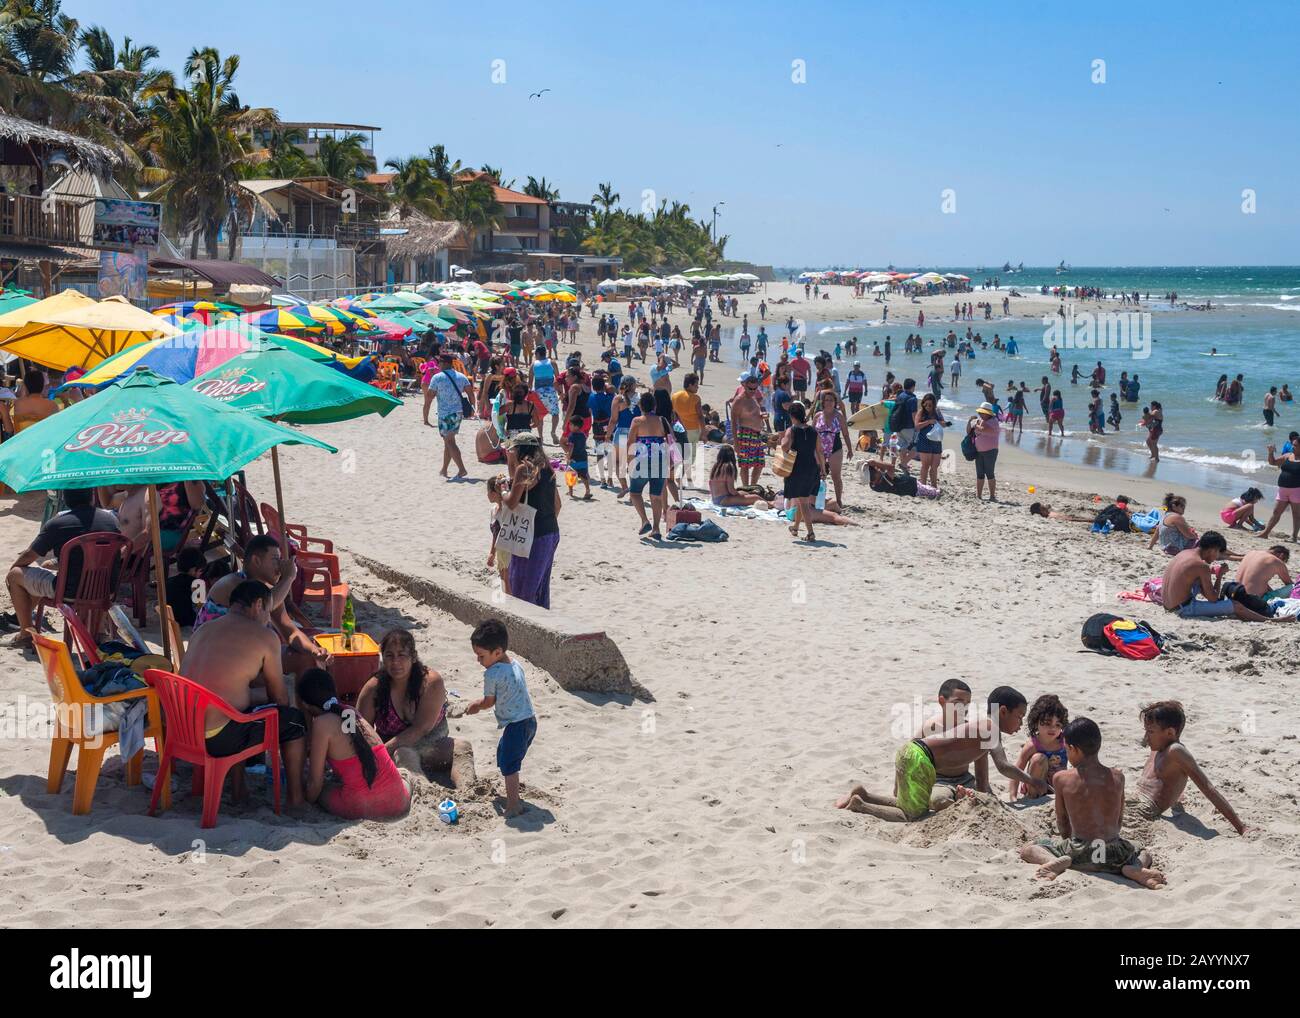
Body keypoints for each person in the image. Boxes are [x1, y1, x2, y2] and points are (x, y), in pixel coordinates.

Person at [181, 580, 308, 807]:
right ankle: (296, 799)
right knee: (294, 723)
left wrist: (254, 694)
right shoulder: (265, 636)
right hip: (216, 739)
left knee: (240, 706)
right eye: (268, 611)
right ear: (258, 605)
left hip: (182, 731)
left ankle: (239, 789)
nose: (268, 619)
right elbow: (279, 699)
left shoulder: (203, 629)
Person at [836, 686, 1047, 821]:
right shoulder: (990, 728)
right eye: (1019, 717)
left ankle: (865, 794)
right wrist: (1033, 781)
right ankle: (861, 806)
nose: (1020, 724)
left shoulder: (981, 731)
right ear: (1002, 712)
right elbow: (1003, 766)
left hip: (911, 753)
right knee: (912, 816)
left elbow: (983, 782)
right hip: (920, 760)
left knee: (909, 804)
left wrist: (991, 805)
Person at [1018, 718, 1165, 888]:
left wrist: (1068, 844)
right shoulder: (1118, 777)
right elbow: (1118, 821)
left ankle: (1054, 861)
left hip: (1080, 854)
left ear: (1073, 749)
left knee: (1029, 849)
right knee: (1141, 850)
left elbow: (1063, 822)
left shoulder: (1062, 778)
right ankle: (1135, 868)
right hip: (1113, 854)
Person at [194, 534, 331, 675]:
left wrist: (314, 650)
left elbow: (290, 631)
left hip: (240, 657)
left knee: (306, 658)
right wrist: (289, 577)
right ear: (256, 561)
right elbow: (265, 606)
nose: (279, 565)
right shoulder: (232, 583)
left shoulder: (269, 593)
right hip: (216, 664)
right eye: (275, 559)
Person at [356, 628, 476, 785]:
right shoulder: (373, 688)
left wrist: (381, 753)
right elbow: (358, 728)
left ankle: (468, 792)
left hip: (431, 746)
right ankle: (424, 793)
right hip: (394, 752)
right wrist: (373, 757)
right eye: (389, 656)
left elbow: (421, 728)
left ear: (413, 657)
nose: (395, 662)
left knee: (462, 747)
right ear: (383, 659)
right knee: (404, 753)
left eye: (402, 655)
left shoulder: (430, 682)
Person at [6, 487, 120, 648]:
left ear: (66, 501)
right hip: (105, 589)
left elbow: (30, 555)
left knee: (15, 575)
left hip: (69, 592)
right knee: (43, 574)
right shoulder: (111, 521)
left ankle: (25, 634)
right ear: (92, 499)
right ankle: (99, 632)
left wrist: (14, 568)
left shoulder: (58, 523)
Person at [300, 667, 412, 820]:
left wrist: (305, 800)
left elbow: (315, 784)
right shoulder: (350, 712)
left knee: (319, 786)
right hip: (399, 801)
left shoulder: (322, 723)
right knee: (401, 776)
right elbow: (352, 748)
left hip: (362, 806)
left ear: (306, 705)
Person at [1135, 700, 1248, 833]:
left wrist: (1241, 827)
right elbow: (1164, 779)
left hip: (1144, 807)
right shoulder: (1158, 746)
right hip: (1133, 798)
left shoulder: (1175, 751)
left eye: (1150, 732)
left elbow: (1208, 788)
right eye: (1145, 731)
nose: (1146, 737)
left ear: (1170, 733)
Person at [465, 619, 537, 818]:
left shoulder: (492, 673)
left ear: (497, 652)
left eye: (481, 656)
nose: (479, 661)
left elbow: (489, 702)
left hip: (516, 725)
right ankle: (511, 793)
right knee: (505, 754)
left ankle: (514, 804)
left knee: (510, 765)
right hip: (530, 720)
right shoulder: (515, 663)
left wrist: (475, 706)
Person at [502, 434, 562, 607]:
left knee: (523, 590)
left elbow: (512, 503)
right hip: (550, 532)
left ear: (520, 449)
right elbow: (557, 505)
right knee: (541, 588)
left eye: (512, 449)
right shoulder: (547, 468)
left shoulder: (524, 469)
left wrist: (503, 491)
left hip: (532, 536)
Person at [1161, 532, 1274, 621]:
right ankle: (1270, 620)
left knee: (1199, 580)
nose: (1217, 557)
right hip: (1183, 609)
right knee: (1235, 605)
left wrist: (1210, 573)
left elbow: (1190, 572)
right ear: (1212, 550)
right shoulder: (1202, 565)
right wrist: (1219, 576)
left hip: (1168, 605)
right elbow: (1213, 598)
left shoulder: (1185, 553)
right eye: (1218, 553)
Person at [914, 679, 987, 808]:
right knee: (939, 800)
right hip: (939, 781)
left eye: (967, 704)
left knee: (977, 800)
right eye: (958, 702)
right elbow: (909, 755)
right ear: (942, 702)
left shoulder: (969, 729)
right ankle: (957, 800)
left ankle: (961, 798)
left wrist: (983, 792)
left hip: (965, 779)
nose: (964, 708)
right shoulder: (931, 727)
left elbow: (981, 763)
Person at [627, 391, 672, 539]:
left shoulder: (637, 421)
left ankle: (645, 520)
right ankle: (657, 528)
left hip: (642, 461)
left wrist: (629, 462)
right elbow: (671, 440)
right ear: (655, 405)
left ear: (640, 405)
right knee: (656, 496)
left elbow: (630, 443)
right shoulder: (662, 420)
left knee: (634, 493)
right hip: (660, 460)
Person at [780, 402, 825, 542]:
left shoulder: (792, 430)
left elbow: (784, 447)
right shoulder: (813, 431)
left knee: (803, 501)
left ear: (793, 416)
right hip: (812, 468)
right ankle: (795, 527)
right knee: (802, 498)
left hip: (797, 468)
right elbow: (820, 451)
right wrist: (823, 469)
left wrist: (783, 440)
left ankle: (811, 533)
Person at [1009, 694, 1069, 800]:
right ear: (1036, 723)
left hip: (1057, 788)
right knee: (1039, 759)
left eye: (1058, 725)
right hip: (1036, 787)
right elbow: (1017, 770)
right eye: (1047, 723)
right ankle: (1033, 797)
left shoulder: (1064, 742)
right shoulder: (1033, 745)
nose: (1053, 728)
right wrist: (1013, 796)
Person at [425, 352, 474, 478]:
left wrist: (425, 414)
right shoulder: (461, 376)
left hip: (445, 414)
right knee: (448, 441)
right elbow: (470, 393)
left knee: (450, 442)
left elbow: (429, 396)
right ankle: (444, 470)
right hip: (458, 413)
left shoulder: (437, 377)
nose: (438, 365)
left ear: (445, 363)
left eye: (439, 362)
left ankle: (462, 469)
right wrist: (473, 409)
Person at [813, 389, 853, 506]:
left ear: (835, 402)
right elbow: (812, 433)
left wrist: (850, 449)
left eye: (831, 400)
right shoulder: (818, 416)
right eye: (827, 400)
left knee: (836, 476)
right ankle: (816, 498)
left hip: (835, 448)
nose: (829, 402)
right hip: (819, 449)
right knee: (818, 475)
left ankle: (839, 500)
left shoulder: (839, 416)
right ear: (823, 402)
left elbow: (845, 434)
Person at [729, 374, 767, 488]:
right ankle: (746, 488)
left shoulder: (753, 397)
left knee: (759, 463)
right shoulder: (739, 400)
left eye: (755, 389)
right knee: (745, 465)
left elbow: (752, 414)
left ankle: (753, 486)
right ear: (744, 386)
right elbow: (733, 422)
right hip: (745, 434)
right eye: (750, 388)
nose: (752, 391)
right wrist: (735, 442)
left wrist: (761, 416)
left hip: (757, 434)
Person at [1259, 442, 1300, 541]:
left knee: (1296, 515)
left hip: (1297, 490)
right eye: (1292, 445)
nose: (1292, 447)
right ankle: (1265, 533)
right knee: (1276, 512)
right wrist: (1270, 452)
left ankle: (1294, 537)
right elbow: (1273, 462)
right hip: (1282, 490)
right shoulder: (1288, 456)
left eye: (1295, 445)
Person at [671, 374, 704, 485]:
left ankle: (671, 475)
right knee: (690, 457)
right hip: (692, 430)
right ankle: (680, 477)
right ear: (690, 385)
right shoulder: (695, 398)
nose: (698, 387)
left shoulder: (675, 396)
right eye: (696, 385)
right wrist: (703, 432)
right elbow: (700, 416)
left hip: (677, 429)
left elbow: (673, 413)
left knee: (678, 454)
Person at [911, 392, 946, 493]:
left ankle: (934, 486)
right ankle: (923, 486)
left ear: (934, 404)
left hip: (936, 441)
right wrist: (929, 422)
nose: (927, 407)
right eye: (925, 404)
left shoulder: (937, 412)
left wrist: (937, 421)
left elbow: (944, 424)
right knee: (925, 465)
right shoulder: (921, 412)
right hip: (924, 441)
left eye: (930, 405)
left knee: (935, 466)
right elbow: (916, 427)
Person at [165, 547, 207, 628]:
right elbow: (201, 609)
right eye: (201, 571)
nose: (201, 574)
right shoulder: (198, 584)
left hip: (172, 620)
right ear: (193, 569)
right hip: (189, 622)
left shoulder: (169, 581)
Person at [967, 401, 1000, 501]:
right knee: (980, 473)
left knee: (990, 473)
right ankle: (979, 495)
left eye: (983, 413)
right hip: (979, 451)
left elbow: (984, 430)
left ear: (988, 413)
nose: (980, 414)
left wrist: (975, 425)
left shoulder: (993, 421)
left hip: (990, 451)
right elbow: (969, 431)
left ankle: (992, 496)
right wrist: (969, 422)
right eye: (980, 413)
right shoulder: (980, 420)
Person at [863, 457, 940, 498]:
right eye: (876, 469)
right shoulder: (886, 479)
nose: (878, 468)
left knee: (929, 488)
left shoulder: (874, 485)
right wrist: (875, 462)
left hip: (913, 487)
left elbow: (882, 470)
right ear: (875, 475)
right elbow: (891, 467)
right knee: (936, 492)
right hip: (915, 488)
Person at [528, 347, 561, 444]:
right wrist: (560, 392)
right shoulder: (552, 363)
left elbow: (530, 383)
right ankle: (553, 432)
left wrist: (529, 395)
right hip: (551, 392)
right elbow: (558, 379)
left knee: (539, 416)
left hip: (539, 393)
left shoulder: (534, 364)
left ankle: (541, 437)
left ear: (538, 354)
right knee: (555, 414)